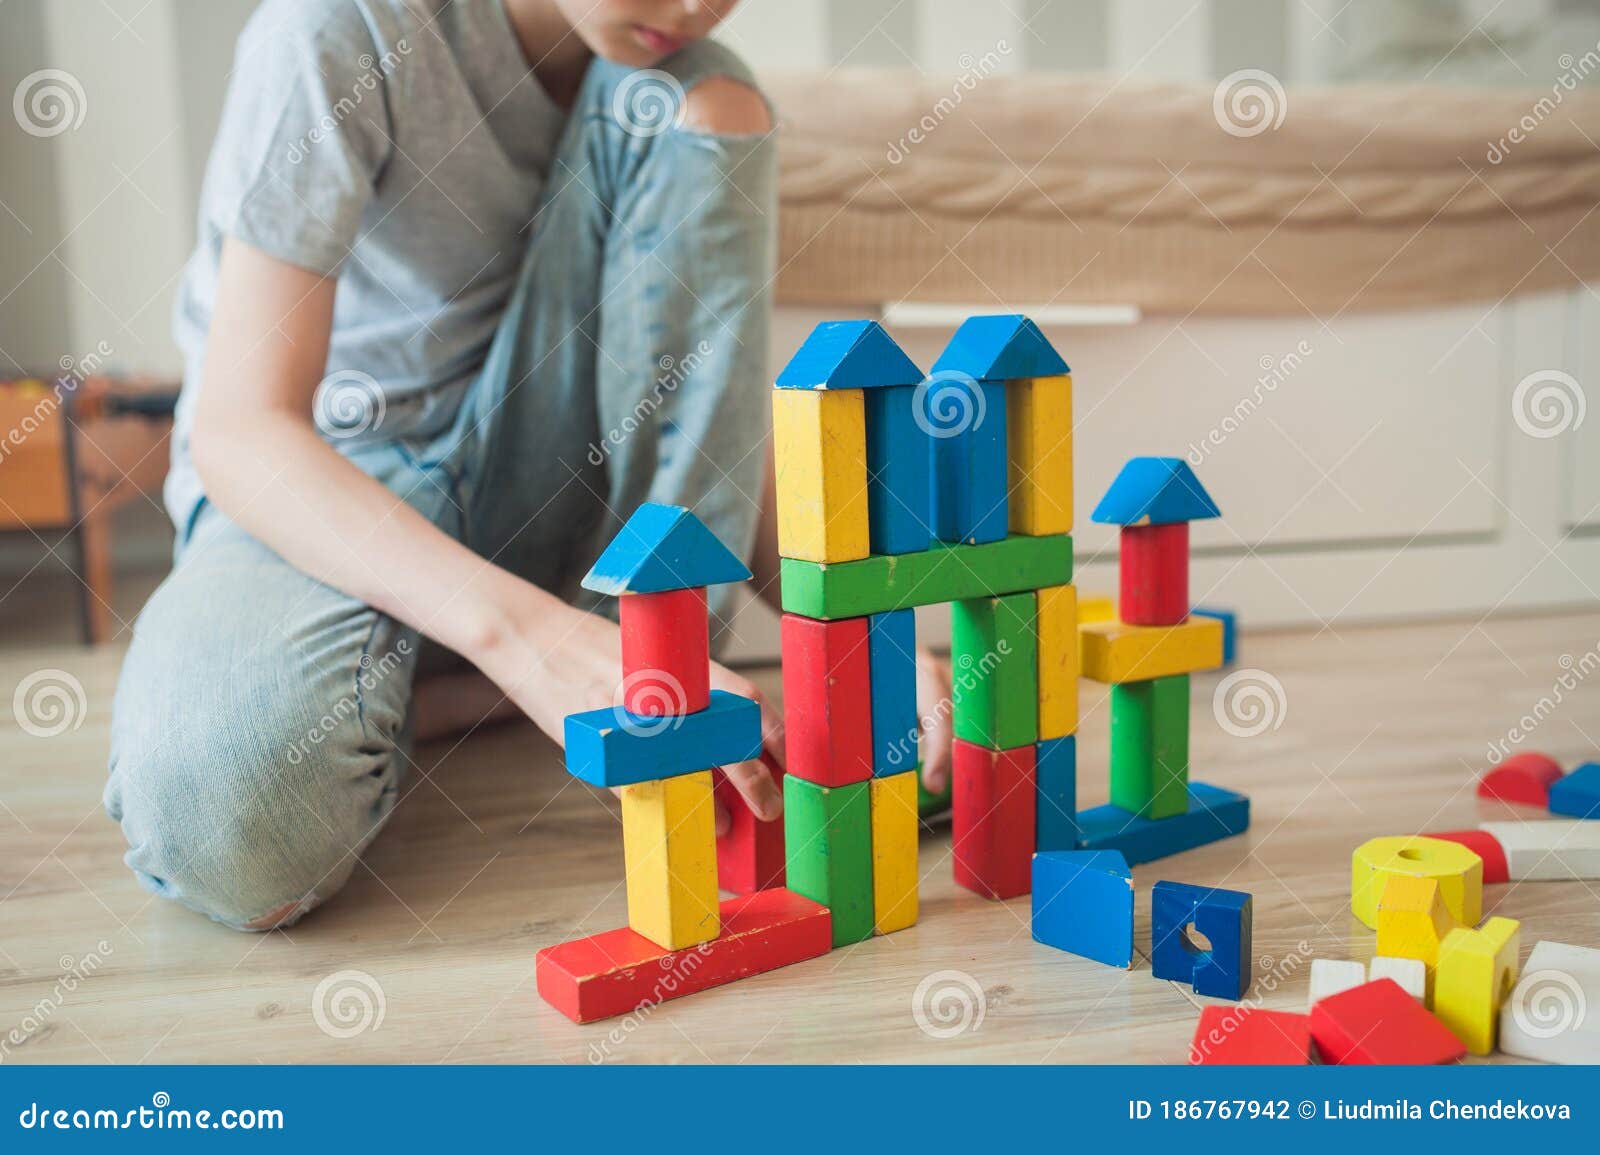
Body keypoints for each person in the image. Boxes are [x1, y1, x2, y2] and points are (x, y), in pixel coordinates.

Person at [105, 0, 953, 933]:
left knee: (707, 101)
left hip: (548, 500)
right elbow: (241, 430)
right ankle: (484, 680)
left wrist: (867, 624)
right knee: (231, 830)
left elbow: (703, 433)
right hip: (325, 498)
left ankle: (556, 674)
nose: (697, 4)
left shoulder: (673, 87)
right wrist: (532, 646)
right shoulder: (335, 33)